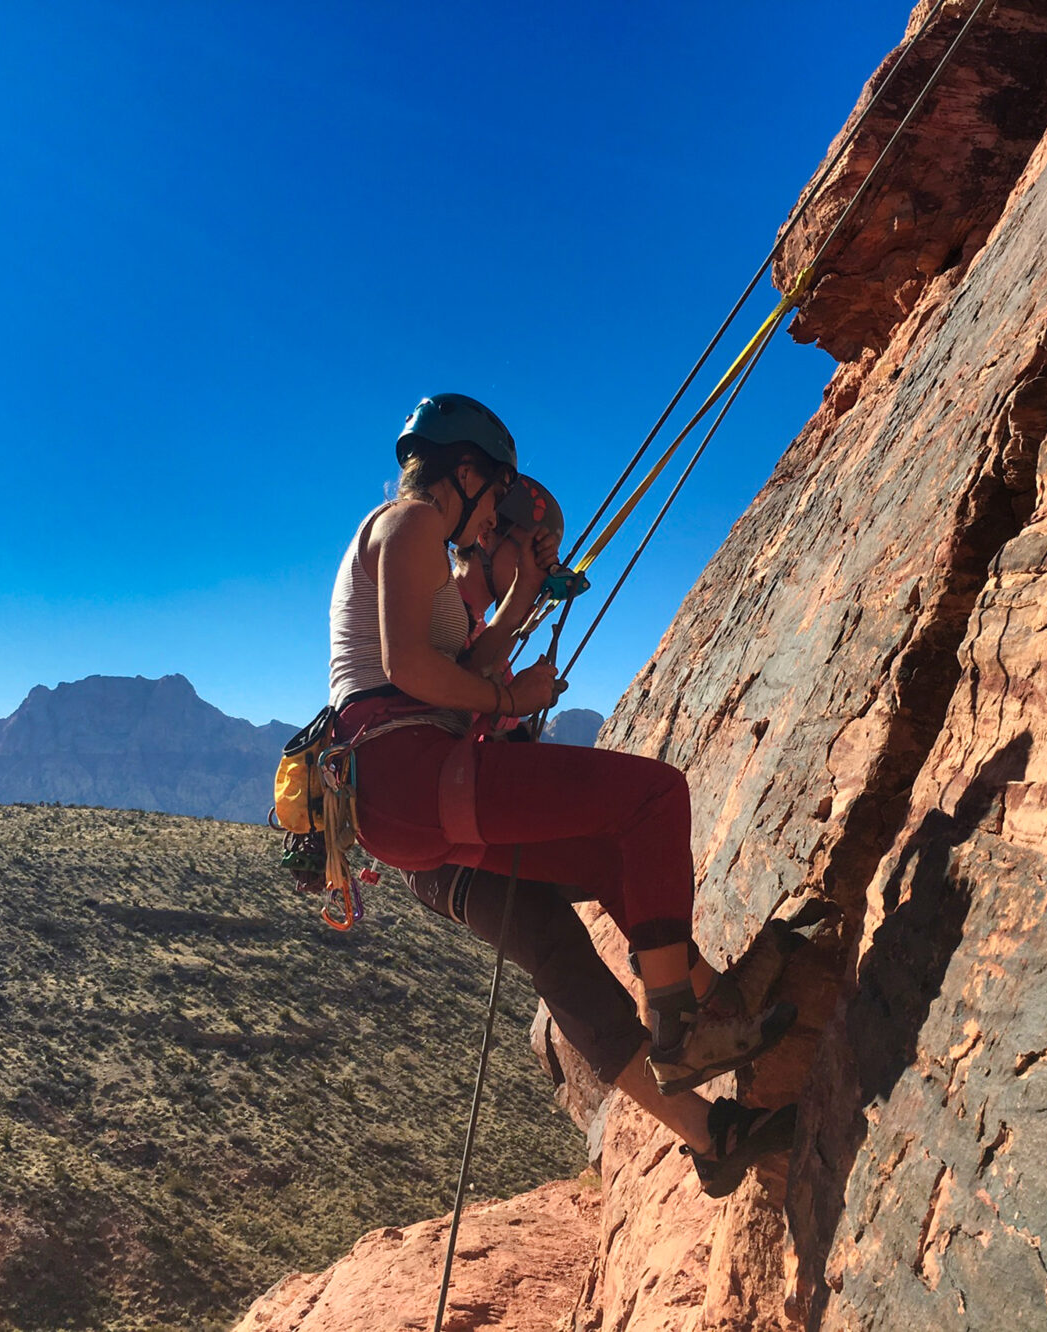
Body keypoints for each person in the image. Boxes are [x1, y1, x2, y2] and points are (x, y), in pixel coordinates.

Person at [328, 392, 799, 1195]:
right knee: (652, 799)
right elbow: (411, 669)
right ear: (466, 472)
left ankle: (709, 1066)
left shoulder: (417, 543)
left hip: (405, 786)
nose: (490, 519)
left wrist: (519, 608)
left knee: (604, 861)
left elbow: (445, 674)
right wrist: (511, 699)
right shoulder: (408, 523)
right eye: (495, 498)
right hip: (408, 771)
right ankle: (685, 1028)